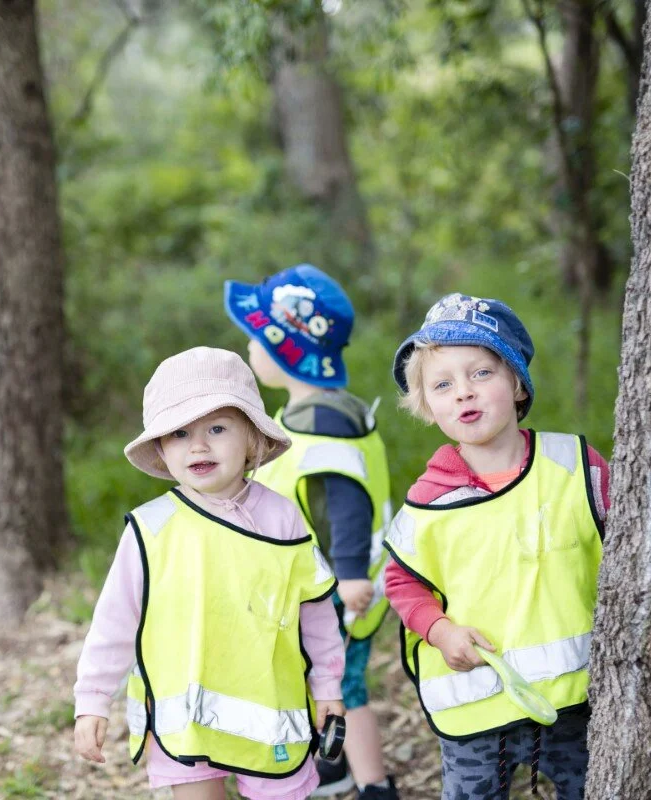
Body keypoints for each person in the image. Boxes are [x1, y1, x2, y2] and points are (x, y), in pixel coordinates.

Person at [73, 346, 346, 800]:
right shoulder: (151, 528)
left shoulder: (283, 519)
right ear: (161, 448)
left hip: (271, 711)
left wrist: (327, 685)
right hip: (185, 720)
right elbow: (115, 621)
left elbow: (316, 612)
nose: (198, 446)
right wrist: (92, 700)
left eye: (217, 429)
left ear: (252, 439)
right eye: (179, 433)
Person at [383, 293, 611, 800]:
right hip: (477, 703)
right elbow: (402, 582)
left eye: (481, 373)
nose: (464, 392)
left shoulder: (574, 464)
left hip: (576, 696)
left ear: (517, 383)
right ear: (427, 405)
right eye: (443, 384)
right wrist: (439, 631)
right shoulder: (430, 500)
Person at [225, 264, 398, 799]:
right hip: (317, 583)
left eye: (257, 337)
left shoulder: (323, 423)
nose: (249, 347)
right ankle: (334, 766)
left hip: (340, 588)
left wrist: (350, 575)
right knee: (318, 679)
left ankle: (374, 784)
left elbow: (346, 505)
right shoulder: (310, 412)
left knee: (343, 686)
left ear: (286, 350)